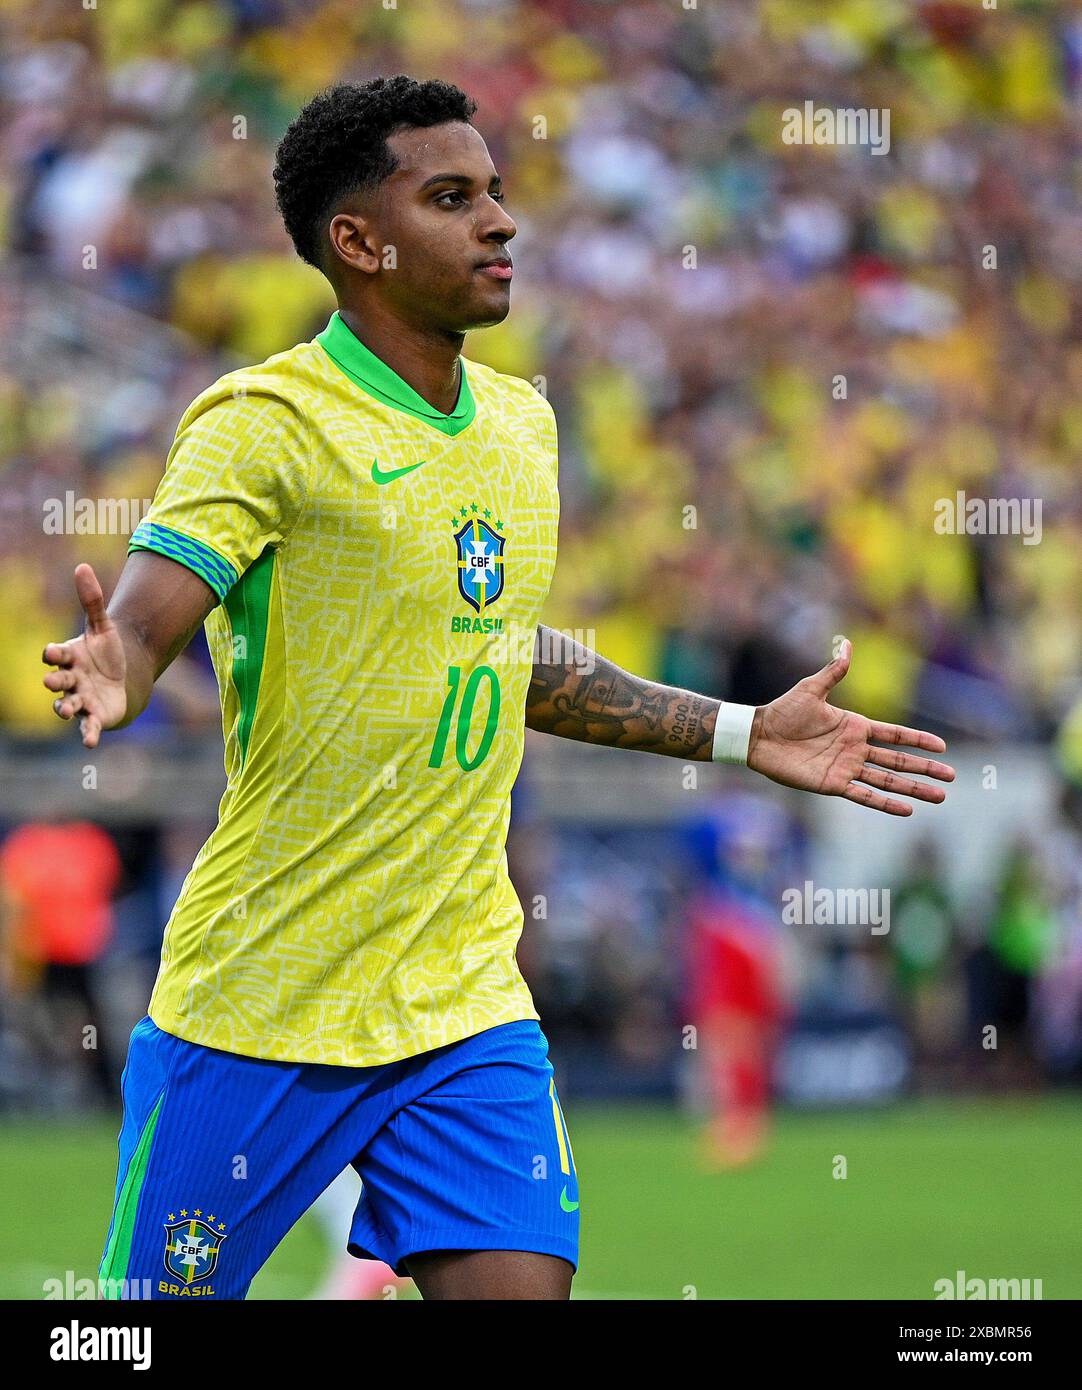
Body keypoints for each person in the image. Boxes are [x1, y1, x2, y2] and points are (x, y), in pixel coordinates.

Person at [42, 76, 954, 1301]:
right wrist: (122, 661)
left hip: (462, 1001)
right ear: (358, 243)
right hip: (264, 998)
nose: (500, 222)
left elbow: (498, 652)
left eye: (497, 192)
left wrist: (739, 731)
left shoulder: (521, 427)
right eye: (451, 197)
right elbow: (151, 611)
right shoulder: (262, 422)